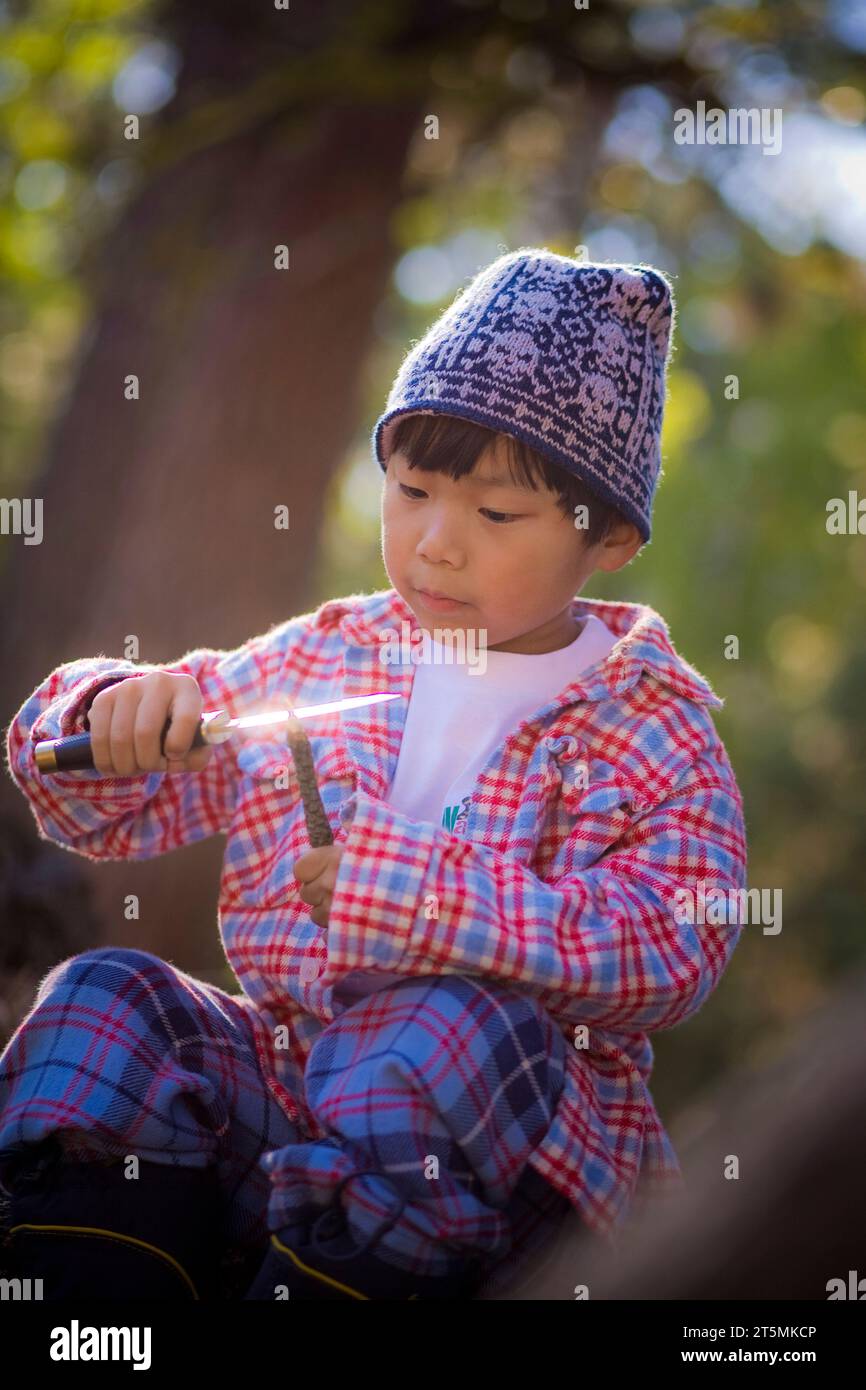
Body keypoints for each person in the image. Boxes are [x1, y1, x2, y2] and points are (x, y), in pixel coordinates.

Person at [0, 248, 747, 1301]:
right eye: (411, 490)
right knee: (104, 999)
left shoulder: (648, 722)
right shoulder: (330, 654)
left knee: (431, 1027)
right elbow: (107, 811)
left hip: (508, 1150)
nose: (436, 543)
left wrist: (415, 891)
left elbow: (672, 944)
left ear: (608, 537)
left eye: (495, 515)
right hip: (291, 1102)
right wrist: (108, 712)